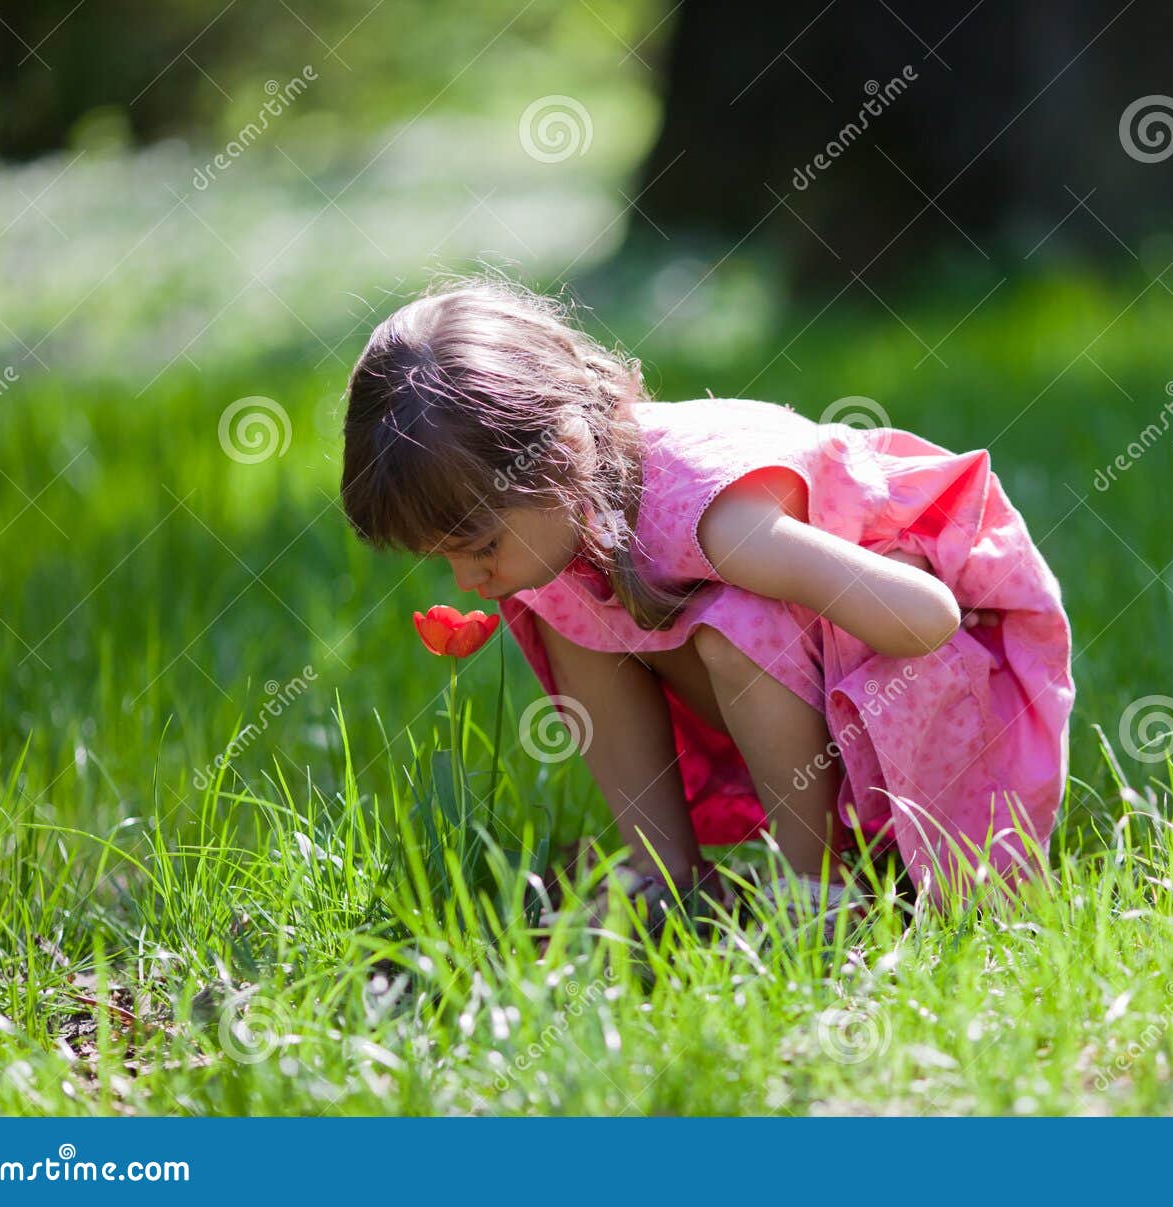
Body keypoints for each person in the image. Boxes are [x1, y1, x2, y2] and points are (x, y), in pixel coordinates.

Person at [339, 273, 1074, 936]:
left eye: (480, 546)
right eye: (444, 557)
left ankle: (815, 892)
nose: (468, 580)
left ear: (562, 450)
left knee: (737, 627)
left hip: (931, 700)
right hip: (826, 702)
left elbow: (931, 617)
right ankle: (667, 875)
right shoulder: (577, 516)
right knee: (565, 607)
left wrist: (847, 565)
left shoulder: (721, 519)